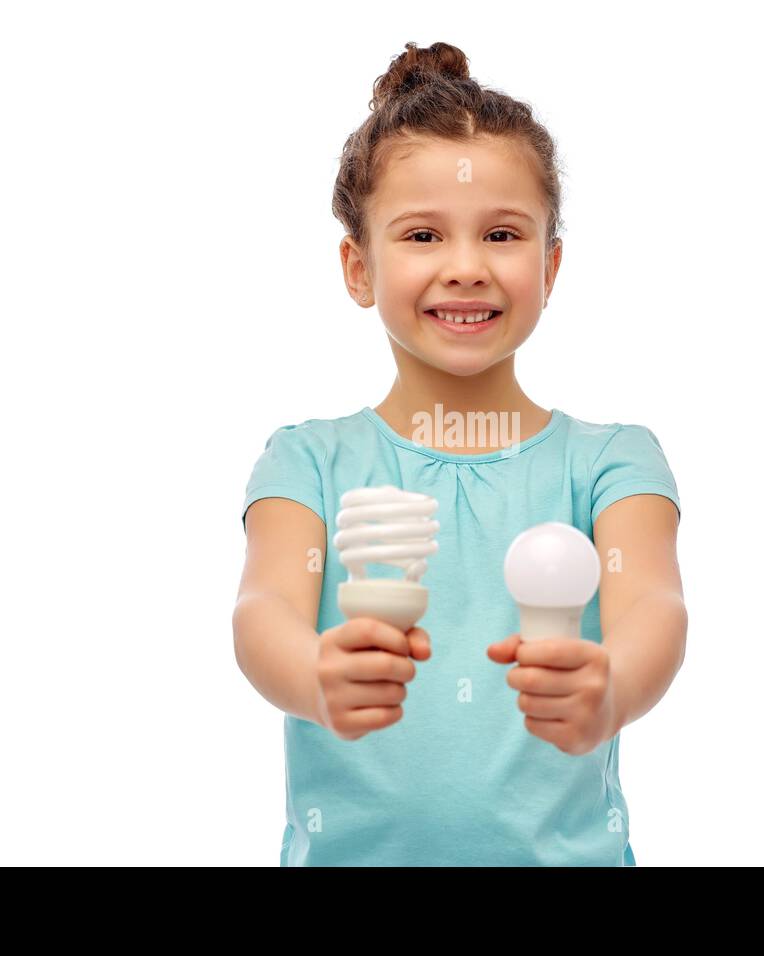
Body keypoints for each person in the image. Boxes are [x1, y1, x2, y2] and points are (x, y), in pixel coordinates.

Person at [232, 41, 688, 866]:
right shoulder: (307, 463)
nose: (467, 268)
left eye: (504, 234)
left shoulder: (612, 463)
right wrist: (314, 677)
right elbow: (261, 613)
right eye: (422, 235)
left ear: (550, 265)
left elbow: (655, 606)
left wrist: (612, 686)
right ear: (358, 266)